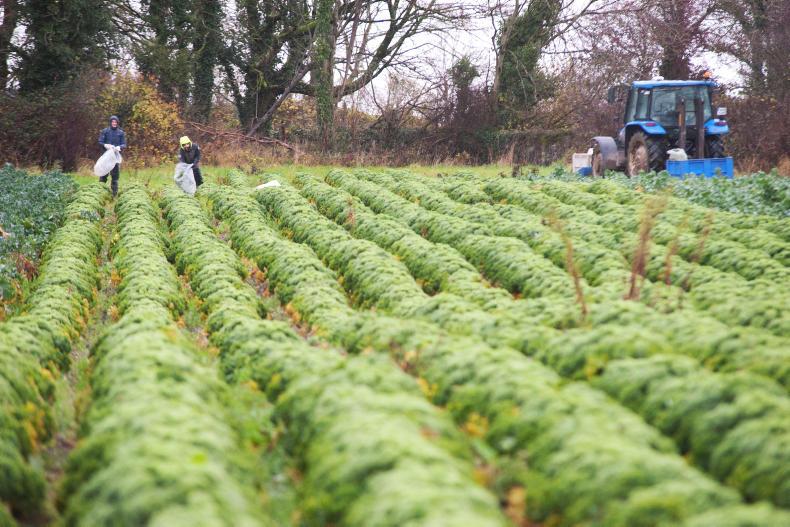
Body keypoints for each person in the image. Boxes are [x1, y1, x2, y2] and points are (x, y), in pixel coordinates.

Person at [98, 115, 126, 197]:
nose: (114, 123)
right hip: (106, 157)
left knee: (115, 177)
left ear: (117, 123)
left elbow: (124, 144)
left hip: (115, 157)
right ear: (110, 122)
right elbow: (100, 141)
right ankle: (100, 193)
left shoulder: (121, 133)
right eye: (112, 122)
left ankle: (114, 194)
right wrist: (105, 145)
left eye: (115, 122)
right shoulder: (105, 131)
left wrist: (119, 147)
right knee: (103, 175)